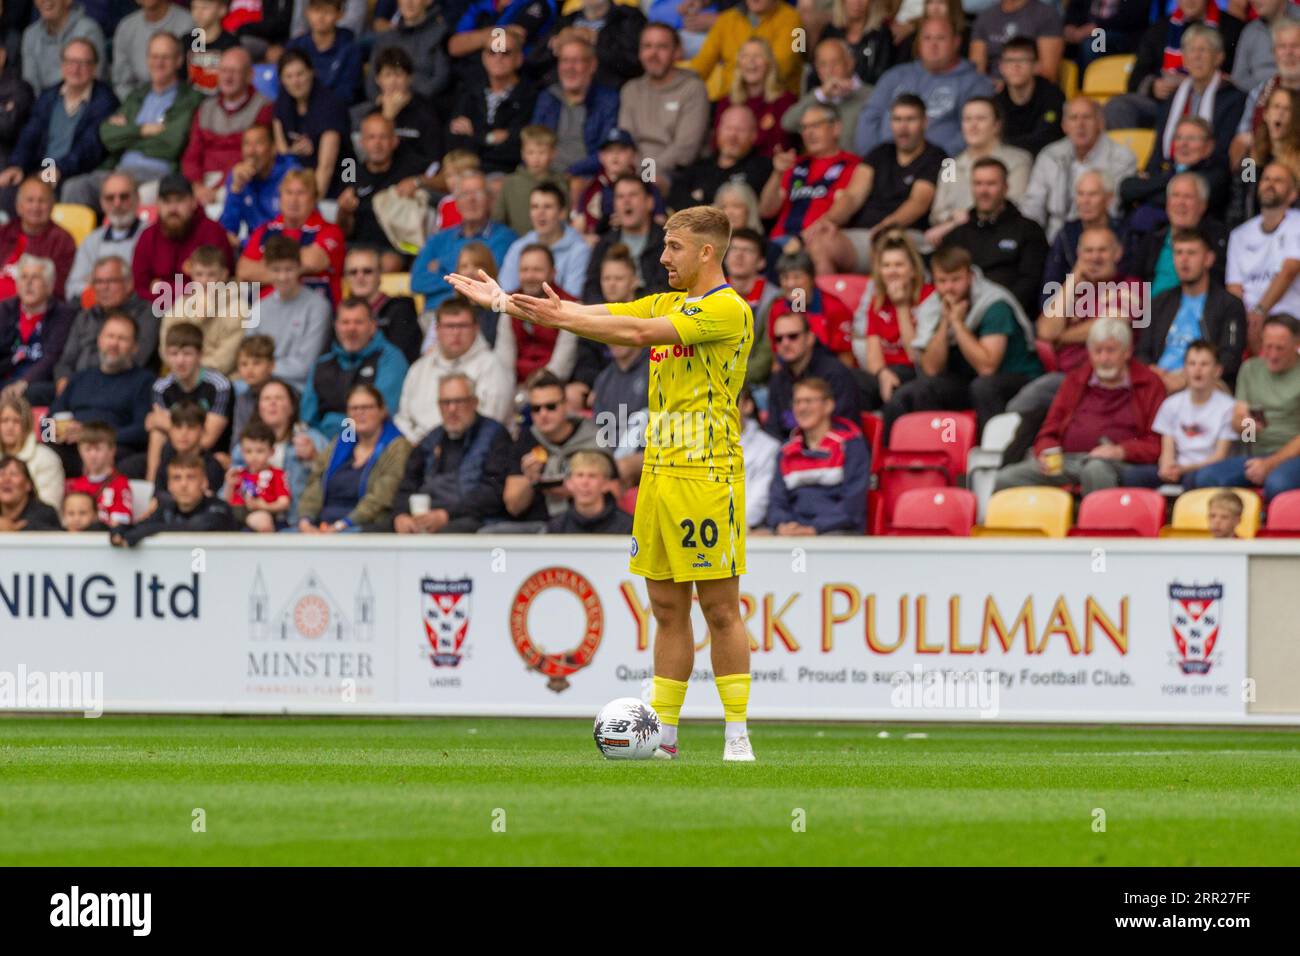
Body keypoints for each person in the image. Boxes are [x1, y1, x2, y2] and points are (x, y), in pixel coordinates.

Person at [450, 205, 758, 761]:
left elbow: (633, 332)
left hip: (707, 474)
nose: (663, 257)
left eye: (674, 247)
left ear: (707, 251)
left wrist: (556, 318)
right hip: (659, 473)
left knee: (719, 609)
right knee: (666, 608)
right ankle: (666, 736)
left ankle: (737, 735)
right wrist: (506, 303)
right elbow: (594, 311)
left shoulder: (727, 309)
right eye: (664, 245)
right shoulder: (667, 302)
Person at [884, 242, 1041, 436]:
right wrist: (945, 323)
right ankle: (902, 452)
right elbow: (931, 370)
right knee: (913, 393)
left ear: (970, 276)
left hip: (1017, 377)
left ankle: (992, 450)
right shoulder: (932, 307)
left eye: (956, 279)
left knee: (983, 388)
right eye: (942, 281)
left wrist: (958, 324)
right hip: (968, 379)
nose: (949, 288)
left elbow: (987, 367)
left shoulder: (993, 303)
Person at [994, 318, 1163, 496]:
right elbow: (1049, 431)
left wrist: (1121, 451)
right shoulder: (1075, 380)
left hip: (1119, 463)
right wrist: (1046, 450)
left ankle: (1096, 516)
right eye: (1098, 351)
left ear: (1127, 352)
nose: (1104, 358)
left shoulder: (1149, 384)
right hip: (1068, 460)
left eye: (1111, 351)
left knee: (1095, 469)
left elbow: (1156, 443)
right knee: (1006, 479)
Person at [803, 94, 945, 275]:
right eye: (897, 119)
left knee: (888, 244)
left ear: (925, 122)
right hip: (865, 234)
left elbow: (919, 202)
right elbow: (852, 196)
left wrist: (886, 226)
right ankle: (829, 294)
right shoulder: (880, 152)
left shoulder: (936, 157)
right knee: (819, 242)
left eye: (910, 119)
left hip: (907, 233)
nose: (903, 127)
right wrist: (830, 220)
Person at [64, 31, 201, 206]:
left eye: (165, 57)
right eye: (154, 56)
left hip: (156, 175)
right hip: (120, 171)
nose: (158, 63)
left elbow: (172, 143)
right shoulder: (137, 96)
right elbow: (107, 135)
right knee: (75, 187)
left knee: (139, 196)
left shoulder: (189, 99)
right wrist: (143, 130)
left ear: (179, 60)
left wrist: (127, 136)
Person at [1191, 313, 1300, 500]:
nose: (1272, 355)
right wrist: (1248, 426)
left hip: (1292, 456)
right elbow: (1239, 421)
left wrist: (1270, 464)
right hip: (1256, 454)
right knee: (1205, 478)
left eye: (1280, 348)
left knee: (1277, 484)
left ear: (1296, 344)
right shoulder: (1250, 369)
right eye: (1268, 346)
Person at [854, 16, 994, 158]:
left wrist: (934, 161)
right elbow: (869, 118)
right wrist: (874, 159)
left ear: (956, 42)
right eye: (927, 38)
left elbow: (973, 132)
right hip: (885, 162)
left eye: (940, 38)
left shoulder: (974, 82)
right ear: (919, 42)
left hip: (942, 164)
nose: (933, 45)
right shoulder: (895, 75)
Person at [391, 372, 512, 534]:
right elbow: (407, 484)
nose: (452, 409)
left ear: (474, 402)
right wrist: (400, 515)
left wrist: (446, 515)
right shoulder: (431, 439)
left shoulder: (495, 435)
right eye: (445, 402)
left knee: (449, 533)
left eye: (459, 401)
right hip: (426, 517)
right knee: (376, 531)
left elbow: (492, 493)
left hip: (475, 519)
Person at [1103, 0, 1244, 133]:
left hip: (1214, 101)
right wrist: (1153, 86)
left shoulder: (1232, 28)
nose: (1189, 1)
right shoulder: (1159, 28)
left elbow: (1239, 78)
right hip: (1164, 103)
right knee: (1118, 106)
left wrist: (1201, 83)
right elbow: (1135, 78)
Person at [49, 310, 155, 475]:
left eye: (122, 339)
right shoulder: (79, 378)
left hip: (114, 451)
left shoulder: (144, 381)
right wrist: (56, 431)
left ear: (135, 347)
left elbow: (142, 431)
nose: (114, 344)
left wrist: (94, 436)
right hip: (72, 449)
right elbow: (46, 423)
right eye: (110, 336)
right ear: (99, 340)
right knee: (44, 454)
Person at [760, 376, 869, 536]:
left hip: (837, 533)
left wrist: (814, 529)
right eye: (797, 402)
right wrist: (783, 525)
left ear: (828, 405)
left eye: (809, 401)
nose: (802, 408)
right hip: (794, 533)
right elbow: (776, 502)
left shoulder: (850, 445)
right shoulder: (786, 451)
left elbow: (853, 505)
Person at [296, 382, 411, 532]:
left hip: (365, 526)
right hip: (323, 525)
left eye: (367, 407)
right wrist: (306, 522)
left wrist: (341, 525)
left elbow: (381, 498)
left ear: (382, 410)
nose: (359, 413)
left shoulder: (397, 446)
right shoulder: (339, 443)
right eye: (354, 408)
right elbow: (315, 485)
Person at [395, 298, 514, 443]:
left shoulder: (493, 366)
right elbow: (403, 419)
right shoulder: (419, 368)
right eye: (449, 326)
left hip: (476, 448)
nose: (456, 333)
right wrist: (422, 447)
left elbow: (490, 424)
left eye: (462, 326)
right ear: (437, 329)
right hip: (420, 447)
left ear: (476, 327)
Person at [941, 157, 1049, 317]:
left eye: (991, 184)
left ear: (1005, 187)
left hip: (1009, 315)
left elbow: (1030, 283)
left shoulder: (1029, 231)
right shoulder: (956, 235)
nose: (983, 191)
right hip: (962, 314)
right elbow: (944, 279)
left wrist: (996, 311)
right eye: (978, 184)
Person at [1122, 339, 1237, 489]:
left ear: (1217, 370)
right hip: (1178, 469)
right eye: (1192, 363)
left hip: (1205, 471)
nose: (1197, 370)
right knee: (1133, 476)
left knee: (1196, 479)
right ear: (1184, 369)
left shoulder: (1228, 407)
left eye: (1204, 364)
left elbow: (1220, 457)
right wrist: (1166, 467)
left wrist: (1184, 469)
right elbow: (1167, 450)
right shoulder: (1171, 404)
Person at [1141, 229, 1247, 390]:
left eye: (1191, 253)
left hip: (1204, 384)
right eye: (1178, 253)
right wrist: (1155, 374)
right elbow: (1141, 352)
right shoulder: (1159, 302)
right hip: (1159, 382)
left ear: (1208, 259)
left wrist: (1188, 378)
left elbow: (1230, 358)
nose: (1184, 259)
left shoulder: (1229, 304)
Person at [923, 97, 1033, 252]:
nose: (973, 125)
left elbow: (1013, 206)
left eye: (981, 119)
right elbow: (937, 214)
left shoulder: (1018, 161)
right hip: (956, 244)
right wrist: (954, 217)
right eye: (967, 119)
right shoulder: (950, 165)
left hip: (1000, 242)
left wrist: (960, 219)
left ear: (997, 125)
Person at [1020, 96, 1136, 244]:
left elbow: (1114, 208)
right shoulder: (1049, 155)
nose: (1080, 125)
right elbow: (1033, 205)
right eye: (1073, 118)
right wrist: (1030, 240)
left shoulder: (1122, 158)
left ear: (1100, 123)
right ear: (1064, 126)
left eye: (1087, 117)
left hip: (1100, 239)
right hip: (1053, 239)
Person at [617, 23, 710, 190]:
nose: (653, 54)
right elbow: (626, 140)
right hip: (636, 170)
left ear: (677, 52)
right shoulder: (630, 90)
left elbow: (686, 149)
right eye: (647, 46)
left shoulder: (693, 88)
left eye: (662, 47)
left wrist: (646, 174)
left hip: (676, 173)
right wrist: (638, 172)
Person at [760, 102, 865, 249]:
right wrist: (777, 174)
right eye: (804, 127)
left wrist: (803, 239)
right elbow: (766, 211)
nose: (808, 133)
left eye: (816, 126)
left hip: (819, 243)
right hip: (779, 240)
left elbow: (847, 206)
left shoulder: (853, 164)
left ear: (836, 128)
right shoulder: (795, 164)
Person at [301, 297, 410, 438]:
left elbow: (379, 413)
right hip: (323, 443)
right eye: (345, 322)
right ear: (336, 326)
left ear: (372, 326)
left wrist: (332, 423)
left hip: (371, 440)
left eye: (358, 322)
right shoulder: (321, 364)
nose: (351, 328)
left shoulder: (390, 358)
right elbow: (307, 418)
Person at [180, 46, 275, 207]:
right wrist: (197, 186)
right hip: (202, 182)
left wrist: (219, 187)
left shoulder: (263, 107)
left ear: (249, 75)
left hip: (241, 180)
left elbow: (255, 155)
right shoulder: (205, 108)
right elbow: (192, 154)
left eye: (234, 72)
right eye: (224, 71)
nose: (228, 77)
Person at [411, 170, 517, 309]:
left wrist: (442, 264)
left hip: (481, 312)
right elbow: (417, 282)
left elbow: (491, 280)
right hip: (435, 314)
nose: (471, 200)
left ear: (490, 200)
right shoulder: (438, 239)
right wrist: (468, 276)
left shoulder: (505, 238)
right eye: (464, 194)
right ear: (456, 202)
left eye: (478, 193)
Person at [335, 113, 425, 273]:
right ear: (362, 142)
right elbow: (343, 230)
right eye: (371, 137)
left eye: (383, 137)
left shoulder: (410, 166)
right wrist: (343, 211)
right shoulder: (350, 171)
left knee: (388, 263)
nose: (377, 144)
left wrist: (418, 181)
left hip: (396, 247)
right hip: (357, 245)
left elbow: (445, 178)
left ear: (394, 141)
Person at [228, 376, 326, 524]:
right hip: (251, 521)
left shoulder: (312, 439)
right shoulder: (243, 446)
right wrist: (231, 483)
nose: (272, 403)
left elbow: (333, 479)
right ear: (259, 407)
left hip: (298, 522)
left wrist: (314, 458)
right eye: (266, 399)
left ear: (292, 407)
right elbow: (229, 494)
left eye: (279, 398)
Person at [1150, 24, 1246, 174]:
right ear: (1184, 59)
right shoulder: (1172, 98)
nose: (1196, 56)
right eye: (1191, 50)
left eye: (1203, 50)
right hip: (1171, 171)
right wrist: (1151, 174)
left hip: (1210, 173)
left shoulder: (1233, 98)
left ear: (1218, 57)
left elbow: (1223, 151)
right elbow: (1158, 150)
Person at [853, 228, 932, 411]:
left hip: (916, 373)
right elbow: (873, 355)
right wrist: (882, 373)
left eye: (899, 265)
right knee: (849, 380)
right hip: (885, 372)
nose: (892, 271)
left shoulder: (928, 298)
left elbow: (915, 356)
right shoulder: (877, 301)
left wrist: (901, 306)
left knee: (898, 392)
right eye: (886, 266)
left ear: (913, 270)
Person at [1226, 160, 1300, 354]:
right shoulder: (1239, 234)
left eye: (1278, 180)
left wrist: (1259, 312)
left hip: (1291, 320)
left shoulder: (1297, 223)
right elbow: (1234, 286)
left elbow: (1289, 271)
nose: (1270, 184)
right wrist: (1243, 320)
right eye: (1266, 179)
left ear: (1293, 194)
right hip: (1249, 322)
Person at [244, 235, 333, 393]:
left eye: (289, 269)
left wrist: (263, 369)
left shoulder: (318, 307)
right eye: (276, 270)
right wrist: (261, 371)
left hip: (298, 388)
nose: (283, 277)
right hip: (260, 385)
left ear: (299, 267)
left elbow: (306, 365)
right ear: (267, 269)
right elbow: (249, 356)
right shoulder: (258, 308)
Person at [531, 30, 620, 180]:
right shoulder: (547, 97)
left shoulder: (608, 100)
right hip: (545, 175)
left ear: (592, 65)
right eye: (565, 60)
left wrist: (572, 173)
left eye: (577, 61)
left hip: (587, 176)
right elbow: (533, 142)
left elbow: (607, 151)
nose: (569, 67)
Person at [147, 323, 232, 477]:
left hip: (211, 454)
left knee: (159, 427)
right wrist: (165, 426)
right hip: (175, 453)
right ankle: (152, 483)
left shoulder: (219, 385)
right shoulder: (161, 387)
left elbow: (207, 440)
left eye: (187, 354)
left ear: (200, 354)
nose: (180, 361)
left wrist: (165, 423)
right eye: (174, 354)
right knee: (157, 433)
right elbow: (161, 432)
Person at [131, 173, 235, 299]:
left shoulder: (212, 231)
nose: (173, 209)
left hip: (204, 305)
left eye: (179, 200)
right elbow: (140, 286)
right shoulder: (148, 236)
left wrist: (162, 287)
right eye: (166, 201)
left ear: (193, 202)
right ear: (158, 204)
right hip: (155, 307)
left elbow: (218, 283)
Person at [446, 31, 536, 176]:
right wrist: (490, 138)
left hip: (507, 175)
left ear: (519, 59)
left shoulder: (530, 96)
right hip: (464, 172)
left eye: (505, 53)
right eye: (492, 52)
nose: (498, 58)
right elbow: (454, 139)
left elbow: (515, 148)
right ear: (483, 57)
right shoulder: (469, 91)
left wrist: (474, 135)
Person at [59, 256, 158, 388]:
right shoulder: (85, 316)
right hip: (78, 385)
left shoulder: (147, 313)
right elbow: (66, 361)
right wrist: (63, 379)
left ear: (128, 284)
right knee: (36, 392)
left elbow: (137, 358)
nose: (104, 287)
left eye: (111, 281)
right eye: (98, 282)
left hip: (123, 385)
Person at [762, 311, 862, 440]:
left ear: (810, 338)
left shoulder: (835, 374)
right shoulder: (777, 378)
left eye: (793, 336)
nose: (785, 343)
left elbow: (844, 426)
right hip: (789, 448)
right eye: (779, 339)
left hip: (831, 447)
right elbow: (773, 430)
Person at [110, 452, 238, 546]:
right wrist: (122, 529)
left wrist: (151, 530)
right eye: (177, 478)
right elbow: (143, 527)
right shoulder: (167, 508)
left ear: (204, 482)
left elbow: (196, 528)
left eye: (191, 477)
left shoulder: (219, 508)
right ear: (169, 485)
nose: (183, 485)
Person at [349, 45, 442, 175]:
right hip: (377, 179)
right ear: (378, 80)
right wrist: (387, 116)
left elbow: (434, 159)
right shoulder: (372, 114)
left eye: (398, 75)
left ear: (410, 78)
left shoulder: (426, 112)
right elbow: (362, 158)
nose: (393, 81)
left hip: (413, 178)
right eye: (387, 75)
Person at [273, 49, 351, 200]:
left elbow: (326, 168)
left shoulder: (330, 106)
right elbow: (282, 153)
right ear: (281, 80)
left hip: (343, 175)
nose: (295, 82)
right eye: (289, 76)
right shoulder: (282, 102)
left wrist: (311, 207)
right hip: (301, 181)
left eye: (300, 74)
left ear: (311, 72)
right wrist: (293, 151)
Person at [0, 255, 78, 407]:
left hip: (40, 381)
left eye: (35, 278)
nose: (28, 283)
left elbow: (52, 356)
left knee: (28, 394)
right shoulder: (5, 309)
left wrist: (24, 382)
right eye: (24, 277)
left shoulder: (63, 314)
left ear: (49, 285)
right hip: (6, 377)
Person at [159, 245, 245, 377]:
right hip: (181, 376)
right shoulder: (180, 305)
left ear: (224, 274)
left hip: (223, 379)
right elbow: (165, 349)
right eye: (199, 274)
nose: (204, 281)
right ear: (192, 274)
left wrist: (188, 369)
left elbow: (225, 361)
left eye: (211, 274)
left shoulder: (239, 309)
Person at [689, 0, 803, 99]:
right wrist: (682, 82)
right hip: (730, 100)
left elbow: (785, 65)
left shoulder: (794, 19)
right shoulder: (726, 19)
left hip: (776, 99)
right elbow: (702, 64)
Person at [582, 177, 670, 300]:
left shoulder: (667, 242)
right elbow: (590, 289)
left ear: (650, 203)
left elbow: (669, 287)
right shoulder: (604, 243)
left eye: (633, 195)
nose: (626, 201)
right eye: (620, 196)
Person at [497, 183, 591, 298]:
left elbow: (572, 298)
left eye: (547, 207)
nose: (540, 213)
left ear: (562, 213)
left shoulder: (580, 250)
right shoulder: (518, 247)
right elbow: (505, 292)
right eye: (535, 207)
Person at [710, 37, 796, 158]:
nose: (751, 61)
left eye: (758, 56)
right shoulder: (726, 102)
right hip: (733, 165)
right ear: (739, 63)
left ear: (769, 63)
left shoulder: (785, 101)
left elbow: (783, 146)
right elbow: (717, 145)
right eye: (745, 56)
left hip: (768, 166)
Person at [66, 174, 146, 301]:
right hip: (97, 309)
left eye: (124, 197)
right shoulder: (91, 241)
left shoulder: (151, 235)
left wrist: (95, 283)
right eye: (110, 198)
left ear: (137, 199)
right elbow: (73, 289)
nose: (117, 203)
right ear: (102, 203)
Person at [1041, 169, 1119, 295]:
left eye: (1092, 194)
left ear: (1109, 198)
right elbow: (1049, 286)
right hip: (1071, 302)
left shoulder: (1123, 233)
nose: (1085, 201)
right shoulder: (1065, 233)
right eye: (1080, 194)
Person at [218, 124, 300, 242]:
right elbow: (228, 229)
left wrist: (246, 243)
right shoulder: (238, 176)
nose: (251, 152)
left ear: (273, 149)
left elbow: (301, 225)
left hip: (285, 245)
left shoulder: (292, 175)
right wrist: (236, 189)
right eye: (247, 144)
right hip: (252, 247)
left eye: (258, 143)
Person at [341, 247, 423, 363]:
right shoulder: (341, 313)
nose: (360, 277)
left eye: (367, 271)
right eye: (353, 272)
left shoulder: (401, 310)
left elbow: (401, 359)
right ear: (346, 278)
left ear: (380, 274)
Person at [0, 178, 77, 301]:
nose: (36, 207)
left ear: (52, 206)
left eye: (42, 201)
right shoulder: (4, 232)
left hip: (28, 307)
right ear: (19, 206)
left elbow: (56, 289)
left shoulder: (62, 241)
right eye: (30, 200)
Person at [994, 34, 1065, 156]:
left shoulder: (1053, 96)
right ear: (1001, 67)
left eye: (1023, 60)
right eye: (1009, 60)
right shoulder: (996, 102)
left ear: (1036, 66)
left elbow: (1047, 137)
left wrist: (1006, 146)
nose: (1016, 66)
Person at [492, 125, 569, 236]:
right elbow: (499, 219)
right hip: (516, 241)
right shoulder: (510, 182)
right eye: (531, 152)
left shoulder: (560, 182)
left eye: (542, 152)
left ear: (553, 154)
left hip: (551, 241)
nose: (536, 158)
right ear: (523, 154)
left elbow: (564, 218)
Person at [365, 0, 449, 101]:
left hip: (425, 104)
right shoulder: (385, 39)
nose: (408, 2)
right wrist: (382, 101)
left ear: (428, 1)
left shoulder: (441, 34)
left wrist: (406, 100)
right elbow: (371, 82)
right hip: (385, 103)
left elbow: (440, 80)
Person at [110, 0, 193, 100]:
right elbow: (122, 83)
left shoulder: (189, 23)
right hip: (137, 102)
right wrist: (138, 105)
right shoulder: (126, 27)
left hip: (182, 100)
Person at [20, 1, 106, 97]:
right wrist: (42, 104)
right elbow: (30, 85)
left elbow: (94, 78)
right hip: (42, 103)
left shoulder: (88, 30)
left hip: (84, 101)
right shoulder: (30, 34)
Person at [286, 0, 362, 103]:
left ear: (340, 15)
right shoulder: (295, 47)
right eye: (316, 11)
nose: (321, 17)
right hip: (300, 106)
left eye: (328, 12)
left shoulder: (350, 49)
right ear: (307, 12)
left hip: (336, 107)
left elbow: (347, 91)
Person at [544, 449, 635, 534]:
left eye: (592, 476)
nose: (585, 482)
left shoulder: (627, 526)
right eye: (580, 475)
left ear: (606, 484)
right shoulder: (557, 527)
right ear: (569, 483)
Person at [226, 418, 292, 532]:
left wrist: (263, 506)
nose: (254, 457)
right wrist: (230, 485)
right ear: (241, 452)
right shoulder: (238, 474)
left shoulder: (277, 474)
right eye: (248, 451)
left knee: (262, 520)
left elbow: (284, 502)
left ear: (271, 452)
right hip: (238, 518)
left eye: (260, 451)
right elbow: (228, 502)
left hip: (266, 516)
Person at [969, 0, 1063, 79]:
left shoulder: (1046, 14)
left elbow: (1048, 72)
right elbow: (976, 70)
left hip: (1030, 89)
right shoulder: (985, 17)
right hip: (991, 88)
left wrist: (1008, 86)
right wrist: (987, 85)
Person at [0, 393, 64, 506]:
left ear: (26, 425)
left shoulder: (46, 458)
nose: (10, 427)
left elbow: (49, 506)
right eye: (4, 421)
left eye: (16, 421)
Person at [64, 419, 132, 525]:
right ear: (80, 451)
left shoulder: (120, 484)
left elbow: (121, 523)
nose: (93, 455)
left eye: (98, 449)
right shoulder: (75, 485)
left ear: (112, 450)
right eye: (87, 449)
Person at [820, 0, 899, 87]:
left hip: (869, 92)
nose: (857, 2)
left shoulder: (881, 35)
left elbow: (884, 76)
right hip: (830, 91)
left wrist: (852, 86)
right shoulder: (830, 32)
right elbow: (816, 74)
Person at [230, 334, 275, 442]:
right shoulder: (243, 399)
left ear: (271, 365)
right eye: (244, 364)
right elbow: (238, 435)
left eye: (256, 363)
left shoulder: (283, 395)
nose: (249, 370)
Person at [0, 457, 62, 532]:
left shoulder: (45, 513)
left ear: (28, 484)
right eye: (1, 474)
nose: (6, 479)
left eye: (14, 474)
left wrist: (13, 530)